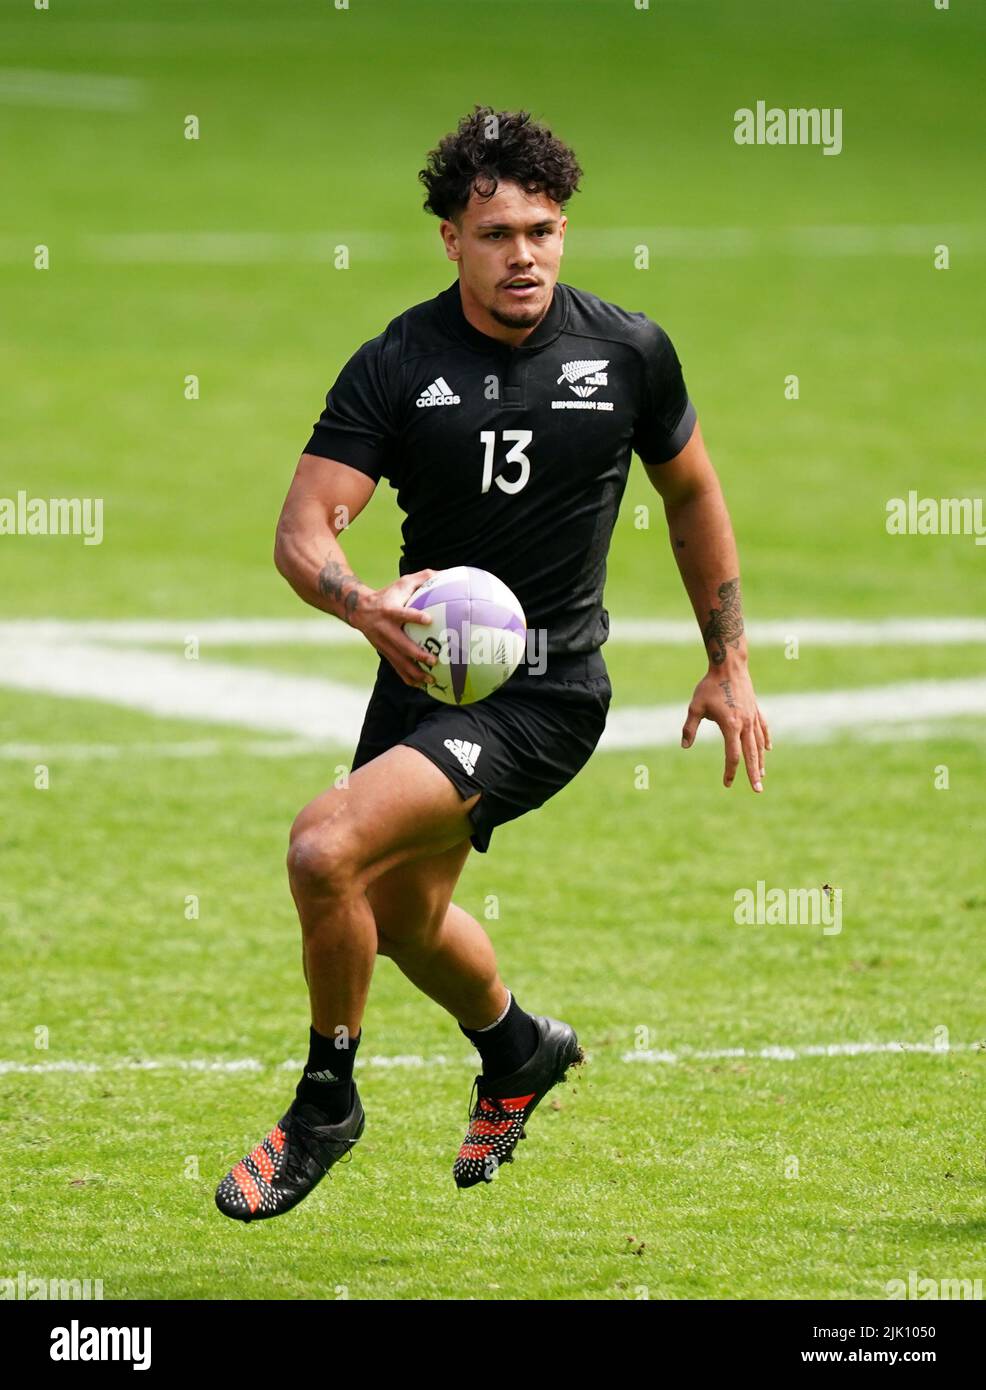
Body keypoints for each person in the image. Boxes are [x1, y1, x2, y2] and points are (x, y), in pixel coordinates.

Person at [215, 105, 770, 1222]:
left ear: (564, 231)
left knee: (325, 847)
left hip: (548, 693)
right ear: (450, 239)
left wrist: (729, 661)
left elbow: (691, 491)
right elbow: (302, 527)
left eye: (544, 230)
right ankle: (517, 1048)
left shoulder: (626, 352)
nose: (524, 254)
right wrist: (357, 599)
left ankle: (324, 1102)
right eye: (498, 233)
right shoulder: (399, 359)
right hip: (426, 673)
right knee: (403, 915)